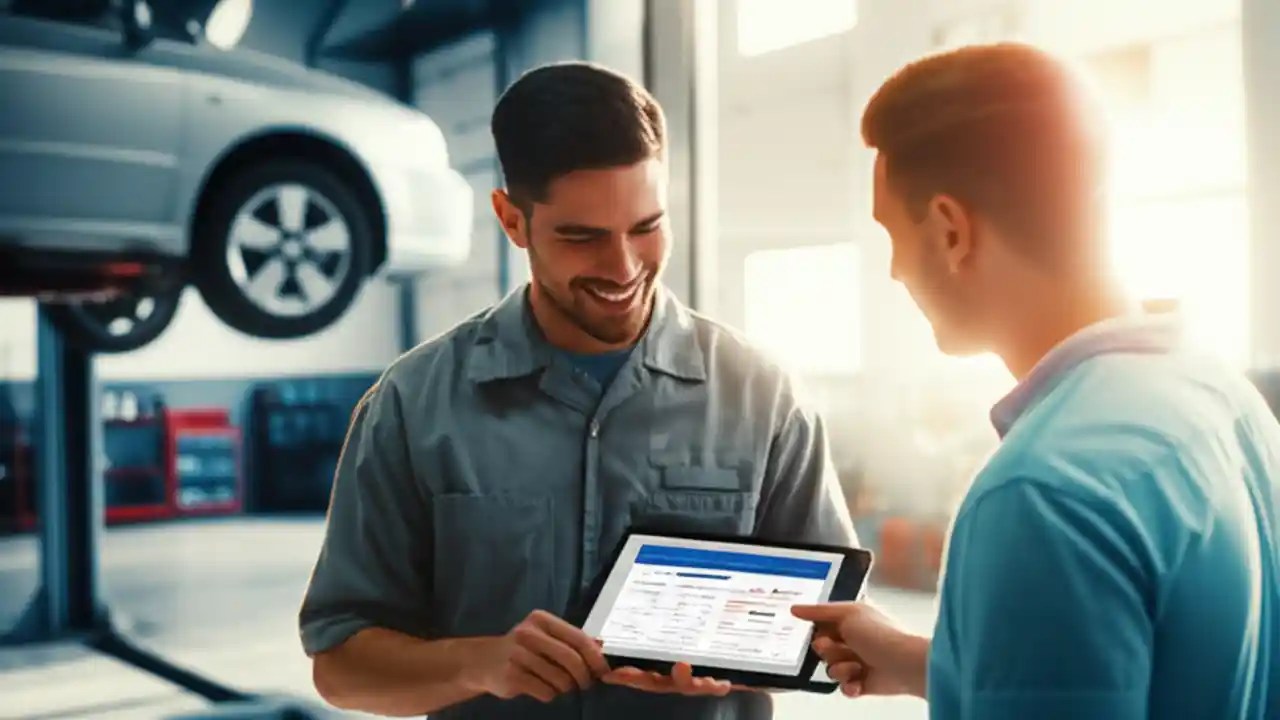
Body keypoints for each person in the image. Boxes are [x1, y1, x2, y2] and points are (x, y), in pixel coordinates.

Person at [299, 61, 858, 720]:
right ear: (511, 220)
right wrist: (477, 662)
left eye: (646, 227)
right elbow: (341, 664)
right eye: (582, 237)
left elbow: (839, 638)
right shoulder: (412, 406)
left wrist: (733, 659)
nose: (623, 268)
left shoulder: (765, 397)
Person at [792, 42, 1280, 720]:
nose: (895, 270)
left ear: (950, 230)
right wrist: (918, 660)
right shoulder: (1222, 397)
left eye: (891, 234)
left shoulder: (1041, 492)